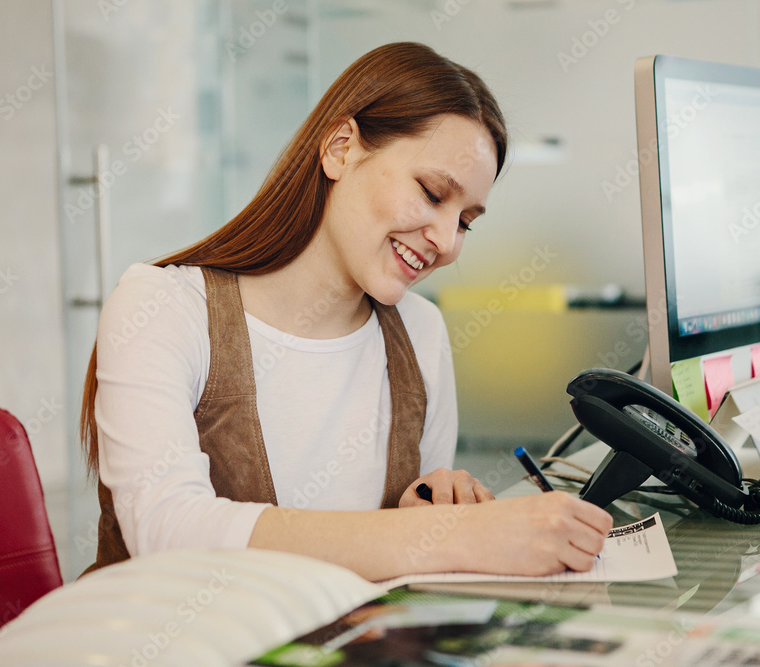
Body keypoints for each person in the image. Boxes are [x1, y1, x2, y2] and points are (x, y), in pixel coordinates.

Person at [80, 42, 612, 582]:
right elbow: (166, 531)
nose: (448, 243)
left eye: (467, 221)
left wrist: (428, 511)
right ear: (340, 148)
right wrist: (454, 537)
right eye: (431, 193)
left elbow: (410, 567)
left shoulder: (421, 332)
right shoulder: (162, 306)